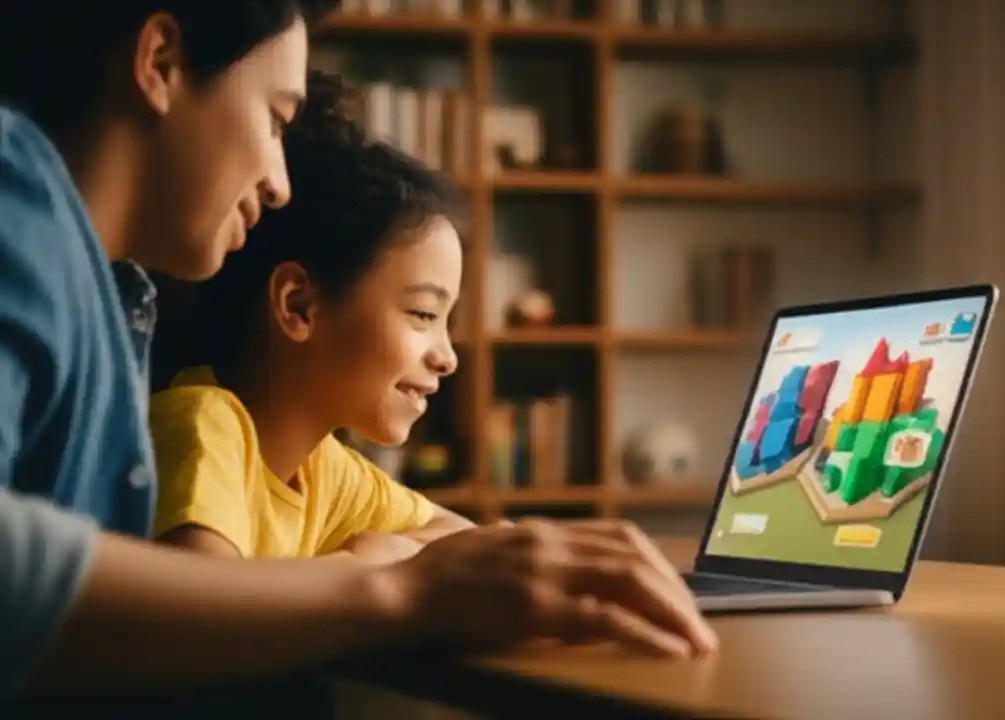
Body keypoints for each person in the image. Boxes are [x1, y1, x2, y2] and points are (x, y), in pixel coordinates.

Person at [0, 0, 715, 699]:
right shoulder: (18, 201)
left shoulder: (113, 293)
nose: (279, 182)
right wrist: (394, 590)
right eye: (276, 118)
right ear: (160, 61)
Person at [149, 70, 475, 564]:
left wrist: (391, 549)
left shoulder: (323, 469)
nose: (447, 357)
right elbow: (209, 622)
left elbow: (479, 544)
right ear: (298, 305)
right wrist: (366, 566)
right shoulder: (202, 425)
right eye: (423, 313)